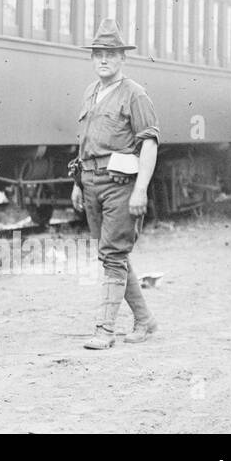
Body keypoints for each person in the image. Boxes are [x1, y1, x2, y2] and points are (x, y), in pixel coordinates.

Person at [70, 18, 160, 350]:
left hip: (119, 185)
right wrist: (78, 183)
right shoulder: (90, 92)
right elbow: (85, 142)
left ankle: (105, 329)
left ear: (122, 57)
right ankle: (145, 320)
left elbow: (149, 143)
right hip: (91, 182)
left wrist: (141, 190)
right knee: (112, 255)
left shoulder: (135, 94)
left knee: (113, 254)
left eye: (110, 54)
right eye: (98, 54)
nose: (103, 60)